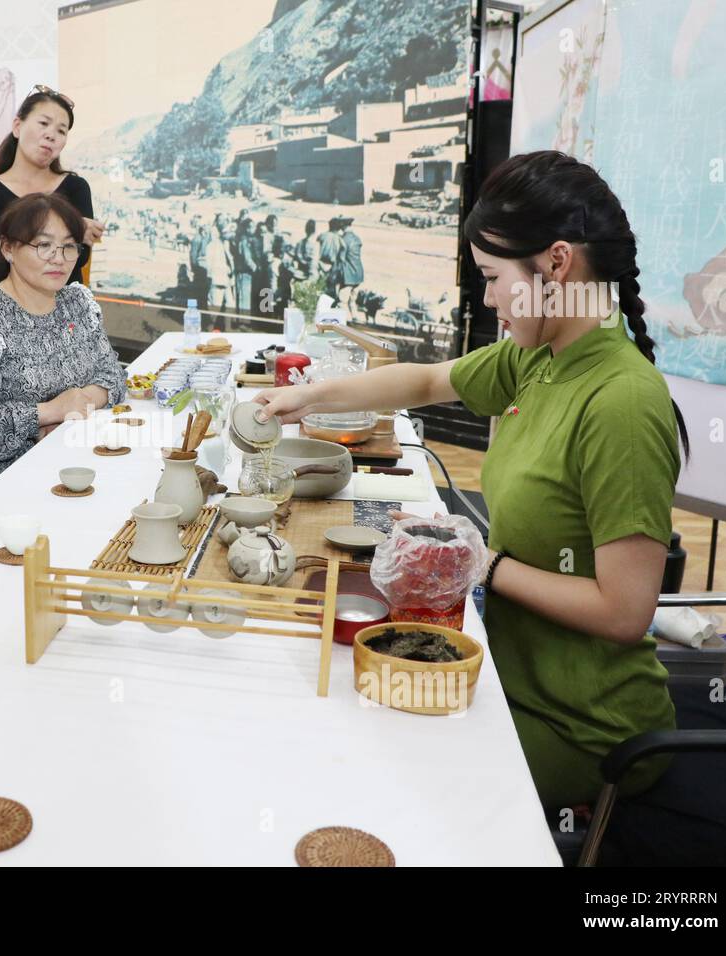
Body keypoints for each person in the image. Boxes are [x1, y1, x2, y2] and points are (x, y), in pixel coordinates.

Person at [255, 150, 691, 812]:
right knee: (334, 717)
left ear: (555, 264)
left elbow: (624, 611)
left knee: (369, 779)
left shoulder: (620, 401)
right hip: (504, 676)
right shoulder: (539, 357)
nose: (487, 298)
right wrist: (311, 398)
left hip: (580, 727)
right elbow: (430, 380)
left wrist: (481, 563)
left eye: (492, 277)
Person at [0, 192, 125, 479]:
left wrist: (78, 402)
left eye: (68, 247)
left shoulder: (77, 302)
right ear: (8, 248)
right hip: (15, 483)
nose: (59, 259)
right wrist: (49, 412)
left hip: (86, 464)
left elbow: (112, 373)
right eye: (43, 245)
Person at [0, 85, 101, 285]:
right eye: (43, 123)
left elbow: (79, 257)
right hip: (8, 309)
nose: (51, 135)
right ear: (18, 126)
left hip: (65, 307)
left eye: (61, 131)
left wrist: (16, 250)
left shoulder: (75, 187)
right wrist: (70, 230)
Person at [199, 218, 234, 311]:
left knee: (230, 305)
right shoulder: (212, 246)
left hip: (227, 279)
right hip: (217, 279)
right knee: (215, 306)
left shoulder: (226, 244)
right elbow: (209, 264)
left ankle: (227, 325)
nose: (229, 235)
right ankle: (211, 325)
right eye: (227, 233)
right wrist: (211, 277)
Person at [332, 218, 364, 308]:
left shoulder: (343, 240)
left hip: (348, 275)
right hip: (358, 274)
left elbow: (340, 259)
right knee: (352, 301)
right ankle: (354, 318)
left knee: (341, 301)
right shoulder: (357, 239)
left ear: (342, 226)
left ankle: (340, 320)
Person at [231, 217, 257, 313]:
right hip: (244, 272)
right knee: (244, 296)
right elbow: (247, 258)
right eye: (252, 227)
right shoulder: (244, 240)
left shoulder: (245, 239)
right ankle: (243, 321)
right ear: (247, 228)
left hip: (244, 272)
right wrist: (256, 268)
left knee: (244, 295)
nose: (254, 229)